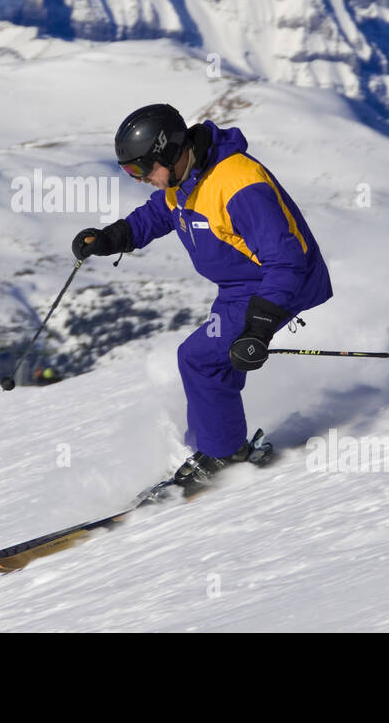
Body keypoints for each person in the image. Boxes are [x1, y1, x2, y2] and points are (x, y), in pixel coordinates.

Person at [72, 103, 333, 490]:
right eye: (130, 172)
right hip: (239, 287)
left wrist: (258, 327)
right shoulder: (183, 180)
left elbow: (287, 259)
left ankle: (224, 453)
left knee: (199, 359)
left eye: (142, 169)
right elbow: (156, 215)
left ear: (170, 152)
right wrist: (111, 238)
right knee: (212, 362)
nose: (140, 179)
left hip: (272, 284)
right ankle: (219, 446)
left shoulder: (239, 183)